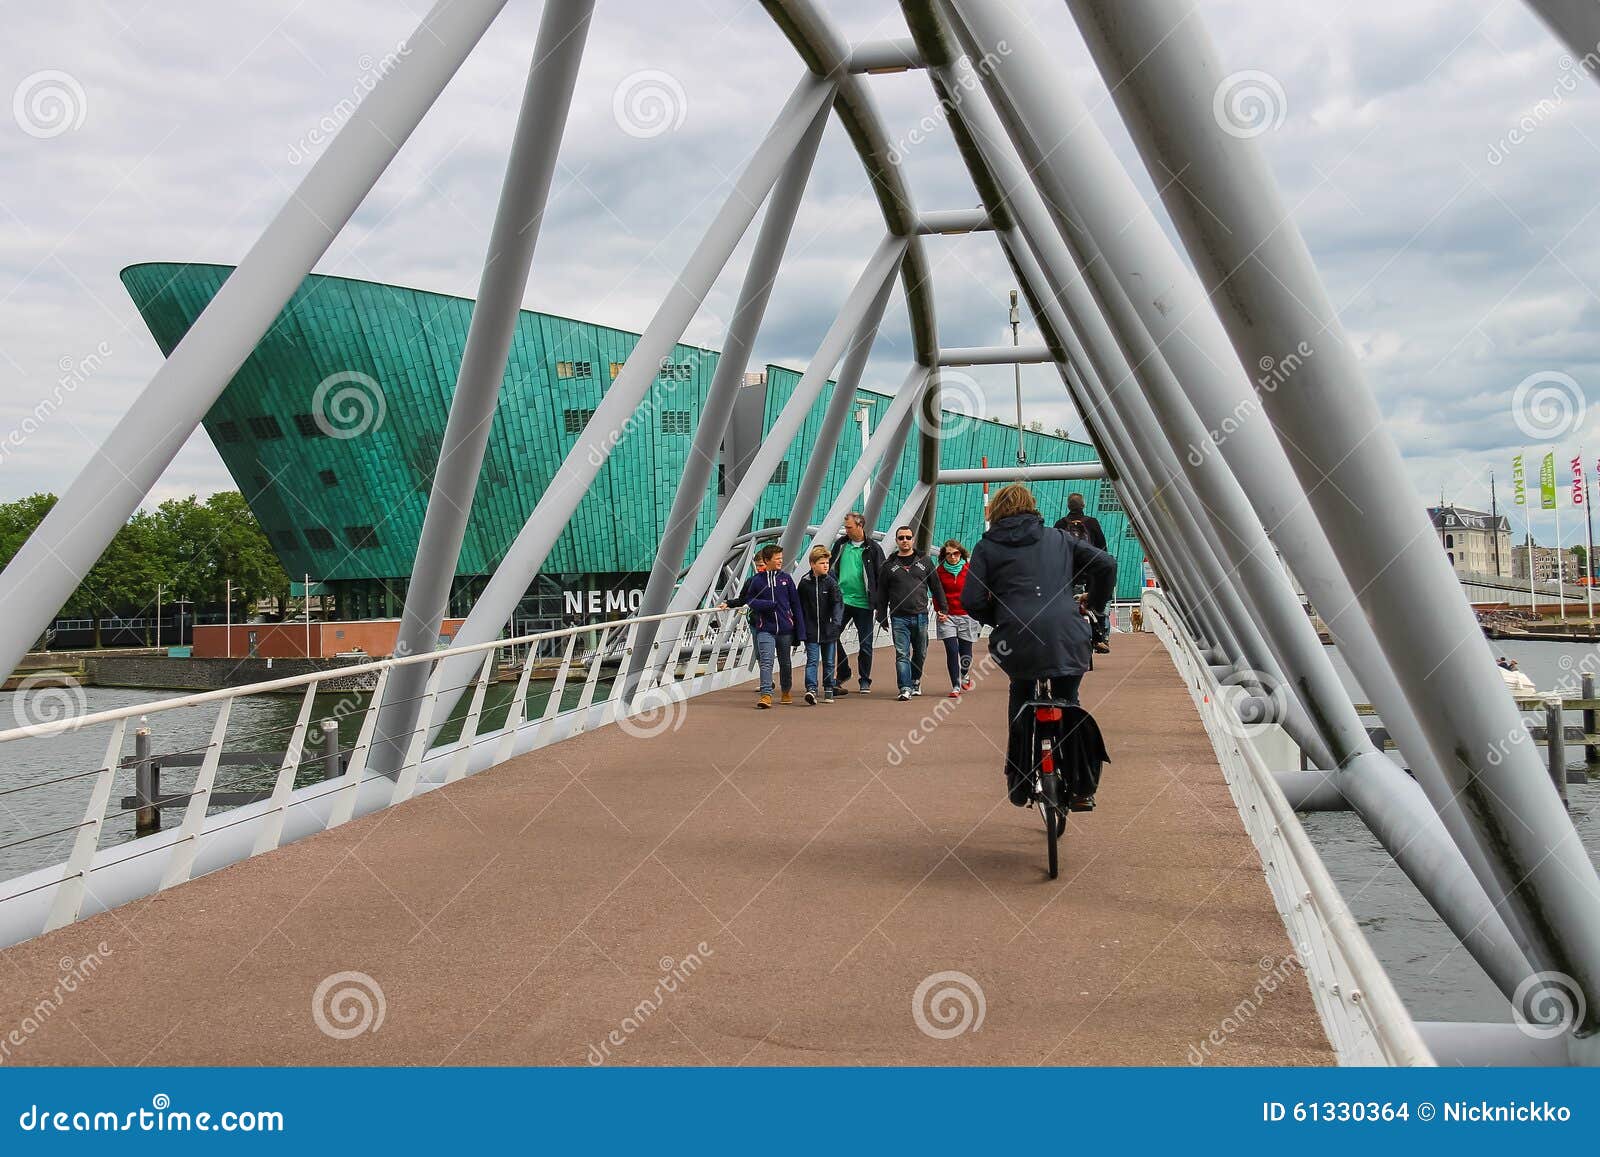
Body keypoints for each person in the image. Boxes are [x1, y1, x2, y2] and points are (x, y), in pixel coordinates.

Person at [965, 483, 1116, 808]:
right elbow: (1106, 563)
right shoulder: (1059, 538)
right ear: (1032, 507)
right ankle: (1079, 788)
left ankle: (1018, 778)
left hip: (1016, 638)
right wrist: (1096, 605)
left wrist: (1003, 617)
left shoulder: (986, 547)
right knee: (1068, 700)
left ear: (998, 512)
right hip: (1066, 632)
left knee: (1021, 692)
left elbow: (971, 599)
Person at [726, 543, 804, 709]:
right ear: (767, 560)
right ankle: (766, 695)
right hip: (765, 628)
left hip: (785, 629)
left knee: (785, 662)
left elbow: (796, 604)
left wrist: (800, 630)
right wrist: (768, 605)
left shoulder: (786, 579)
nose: (780, 561)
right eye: (777, 559)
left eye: (781, 558)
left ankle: (786, 691)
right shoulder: (756, 581)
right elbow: (749, 600)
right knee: (766, 661)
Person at [876, 525, 949, 701]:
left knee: (920, 652)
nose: (905, 541)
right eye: (901, 538)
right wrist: (881, 616)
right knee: (902, 653)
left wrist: (943, 608)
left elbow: (936, 586)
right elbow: (882, 592)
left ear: (913, 539)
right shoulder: (888, 565)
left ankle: (915, 680)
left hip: (921, 615)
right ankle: (904, 687)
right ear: (896, 541)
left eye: (908, 537)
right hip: (899, 616)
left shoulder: (924, 561)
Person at [830, 512, 886, 695]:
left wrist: (881, 604)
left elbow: (881, 576)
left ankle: (864, 680)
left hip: (864, 602)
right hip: (842, 600)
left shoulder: (873, 549)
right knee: (831, 635)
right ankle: (843, 670)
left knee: (866, 643)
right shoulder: (840, 545)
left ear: (860, 525)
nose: (846, 530)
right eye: (845, 527)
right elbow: (830, 567)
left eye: (849, 527)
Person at [1054, 492, 1112, 656]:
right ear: (1083, 506)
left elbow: (1054, 549)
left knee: (1063, 604)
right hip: (1091, 572)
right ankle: (1101, 638)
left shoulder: (1060, 524)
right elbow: (1102, 548)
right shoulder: (1092, 523)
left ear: (1068, 506)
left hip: (1068, 574)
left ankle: (1063, 635)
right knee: (1097, 602)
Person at [797, 545, 844, 704]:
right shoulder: (804, 583)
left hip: (829, 629)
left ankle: (829, 688)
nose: (826, 566)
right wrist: (800, 627)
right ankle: (811, 689)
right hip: (811, 630)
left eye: (827, 563)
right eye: (822, 563)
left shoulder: (831, 583)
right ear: (812, 564)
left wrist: (836, 623)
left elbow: (838, 603)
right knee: (812, 660)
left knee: (829, 661)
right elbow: (799, 607)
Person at [935, 539, 979, 698]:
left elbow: (977, 590)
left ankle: (965, 673)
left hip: (967, 615)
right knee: (952, 651)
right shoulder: (939, 572)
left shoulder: (970, 570)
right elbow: (936, 593)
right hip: (948, 616)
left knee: (965, 652)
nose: (952, 557)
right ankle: (955, 685)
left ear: (961, 553)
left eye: (956, 553)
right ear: (944, 555)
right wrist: (939, 610)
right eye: (949, 554)